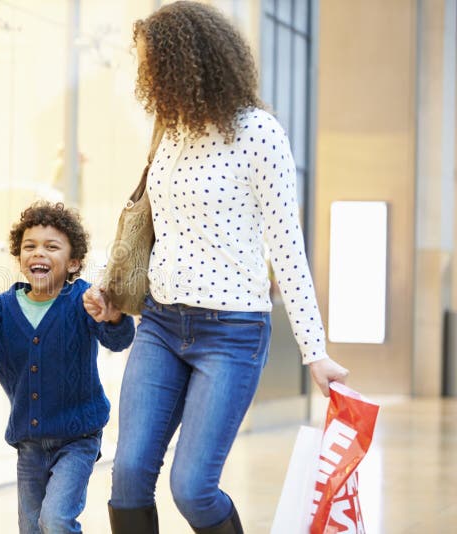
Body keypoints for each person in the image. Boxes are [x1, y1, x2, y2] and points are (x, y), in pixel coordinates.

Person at [94, 3, 350, 533]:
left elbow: (287, 248)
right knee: (129, 473)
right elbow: (148, 223)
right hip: (161, 325)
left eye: (152, 66)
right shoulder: (169, 131)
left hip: (231, 333)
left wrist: (315, 351)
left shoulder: (258, 133)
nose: (145, 78)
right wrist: (113, 286)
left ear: (186, 63)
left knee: (193, 488)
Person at [0, 201, 135, 534]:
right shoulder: (2, 309)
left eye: (51, 247)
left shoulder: (83, 299)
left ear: (73, 263)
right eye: (30, 246)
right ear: (19, 257)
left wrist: (113, 316)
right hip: (29, 442)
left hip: (78, 438)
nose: (38, 252)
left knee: (55, 521)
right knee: (31, 528)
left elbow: (118, 340)